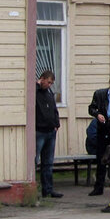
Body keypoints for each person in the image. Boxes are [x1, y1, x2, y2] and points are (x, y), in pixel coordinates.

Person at [87, 73, 110, 196]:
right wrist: (97, 114)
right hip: (102, 131)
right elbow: (91, 108)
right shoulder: (100, 94)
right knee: (101, 160)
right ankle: (98, 187)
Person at [34, 70, 63, 199]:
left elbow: (54, 109)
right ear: (42, 79)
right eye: (48, 82)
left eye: (51, 83)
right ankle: (34, 187)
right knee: (35, 159)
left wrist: (56, 123)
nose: (49, 85)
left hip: (51, 131)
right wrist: (37, 85)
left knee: (48, 162)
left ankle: (48, 189)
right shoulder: (36, 92)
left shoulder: (49, 93)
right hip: (39, 130)